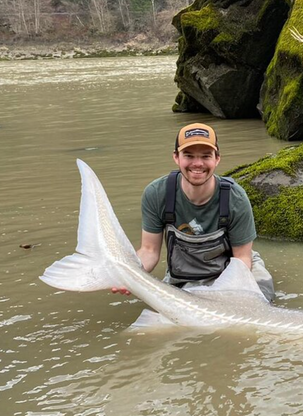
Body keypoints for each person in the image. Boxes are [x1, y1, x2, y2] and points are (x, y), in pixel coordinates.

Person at [112, 122, 274, 302]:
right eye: (188, 155)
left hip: (235, 271)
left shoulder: (235, 198)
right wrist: (128, 275)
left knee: (259, 304)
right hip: (186, 277)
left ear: (217, 159)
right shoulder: (157, 193)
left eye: (206, 156)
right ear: (176, 157)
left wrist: (227, 296)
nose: (197, 164)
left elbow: (242, 259)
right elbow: (149, 251)